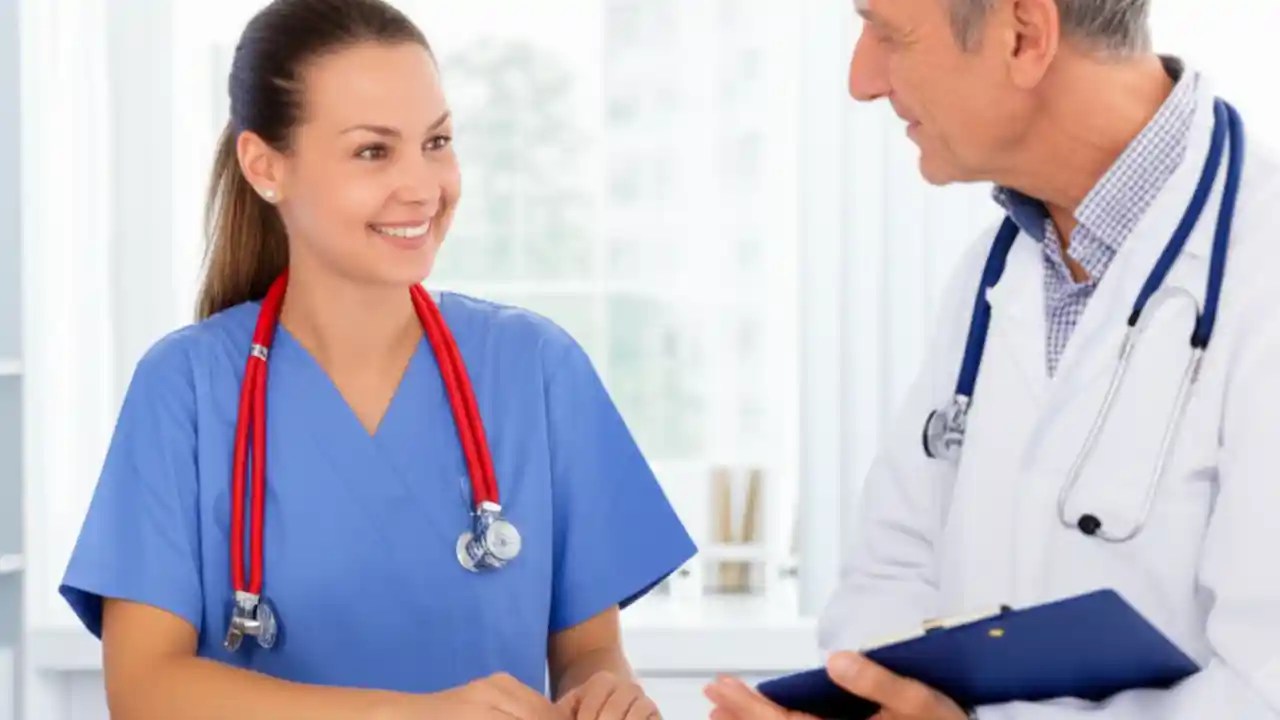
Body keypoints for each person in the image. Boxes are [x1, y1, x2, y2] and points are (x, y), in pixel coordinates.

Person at [58, 1, 696, 718]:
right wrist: (419, 714)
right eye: (373, 150)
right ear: (265, 165)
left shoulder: (536, 369)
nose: (422, 186)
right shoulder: (187, 388)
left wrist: (606, 696)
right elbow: (146, 691)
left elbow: (587, 652)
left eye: (437, 141)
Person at [706, 0, 1280, 718]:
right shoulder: (996, 273)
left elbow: (1266, 684)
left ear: (1024, 35)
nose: (861, 80)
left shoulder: (1261, 271)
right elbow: (890, 575)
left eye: (889, 32)